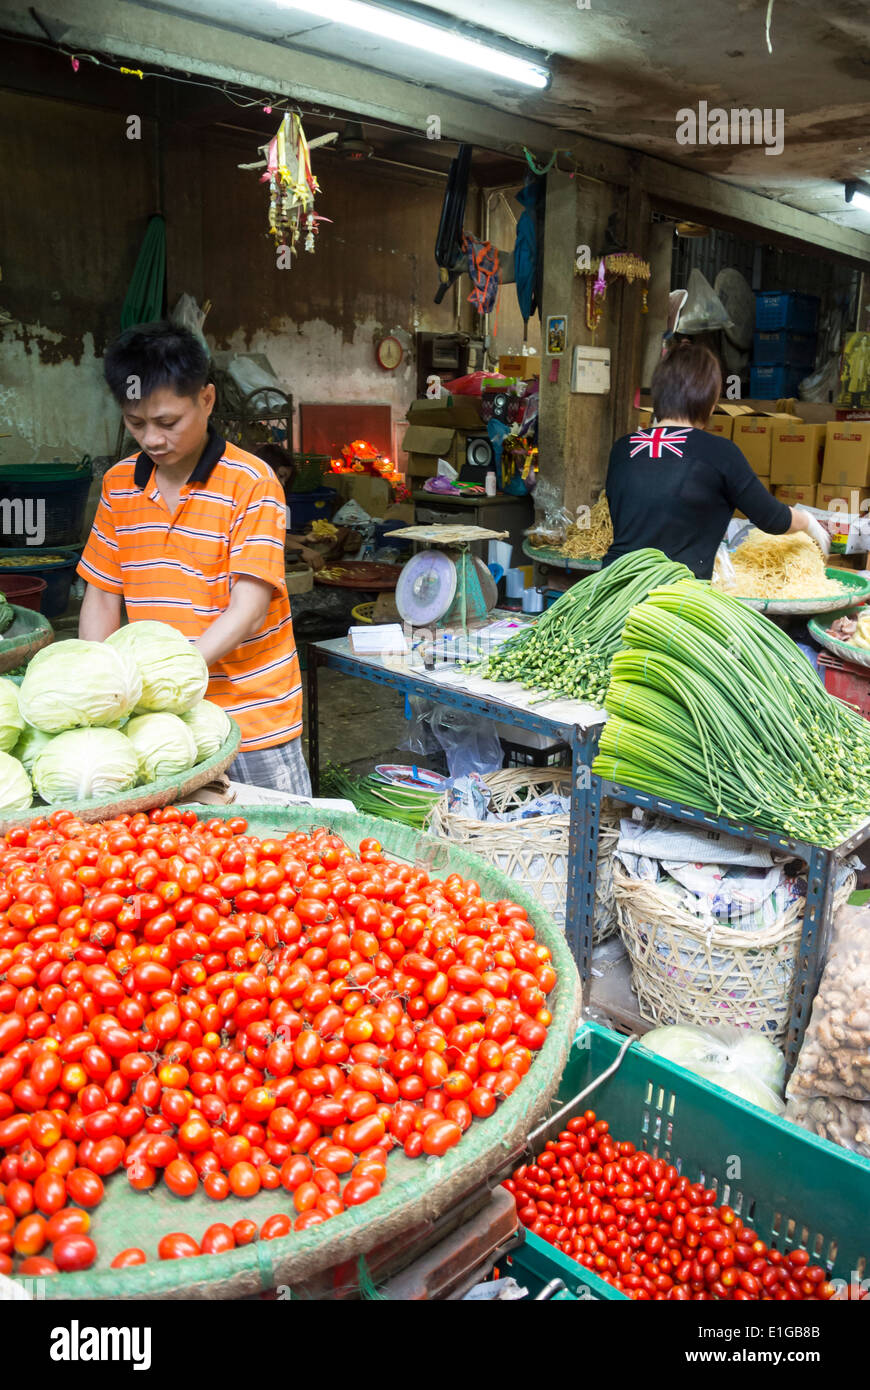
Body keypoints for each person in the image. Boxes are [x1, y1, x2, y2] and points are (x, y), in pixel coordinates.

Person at [77, 321, 311, 795]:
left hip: (251, 715)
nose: (152, 439)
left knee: (284, 850)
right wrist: (103, 684)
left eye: (167, 422)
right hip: (160, 720)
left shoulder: (253, 483)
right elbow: (102, 597)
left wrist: (168, 676)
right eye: (135, 423)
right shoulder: (119, 485)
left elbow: (248, 609)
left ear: (206, 400)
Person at [602, 341, 830, 579]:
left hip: (610, 587)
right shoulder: (719, 452)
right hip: (672, 598)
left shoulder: (622, 449)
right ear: (709, 403)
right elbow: (771, 518)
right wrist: (808, 522)